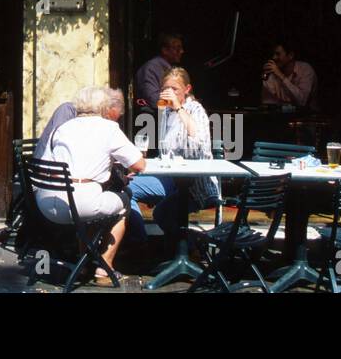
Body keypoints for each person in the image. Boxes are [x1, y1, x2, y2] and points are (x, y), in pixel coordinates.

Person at [36, 86, 146, 286]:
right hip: (78, 204)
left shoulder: (63, 128)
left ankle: (83, 259)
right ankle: (104, 267)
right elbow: (139, 165)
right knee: (124, 202)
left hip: (46, 203)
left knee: (89, 203)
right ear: (104, 107)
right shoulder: (109, 128)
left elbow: (45, 166)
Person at [127, 68, 219, 243]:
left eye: (174, 89)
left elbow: (198, 143)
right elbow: (166, 153)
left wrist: (178, 107)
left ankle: (190, 245)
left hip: (195, 185)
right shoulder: (166, 112)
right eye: (165, 88)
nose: (169, 93)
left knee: (161, 214)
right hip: (170, 178)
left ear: (187, 89)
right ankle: (140, 239)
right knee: (126, 187)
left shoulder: (195, 109)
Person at [261, 39, 316, 108]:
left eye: (278, 54)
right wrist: (266, 79)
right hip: (281, 116)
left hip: (307, 115)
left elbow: (302, 101)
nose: (274, 57)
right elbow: (268, 103)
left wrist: (281, 76)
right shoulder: (271, 72)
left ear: (290, 55)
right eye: (273, 54)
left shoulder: (305, 69)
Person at [135, 32, 184, 108]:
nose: (181, 51)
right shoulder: (151, 69)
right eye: (177, 48)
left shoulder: (170, 69)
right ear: (165, 50)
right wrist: (177, 103)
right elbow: (154, 101)